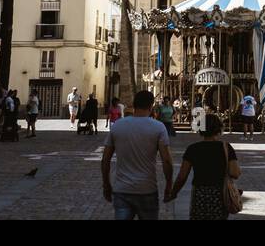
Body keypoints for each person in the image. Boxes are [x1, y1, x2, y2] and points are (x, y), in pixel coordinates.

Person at [101, 90, 174, 220]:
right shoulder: (158, 127)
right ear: (151, 106)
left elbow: (105, 159)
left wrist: (106, 184)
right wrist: (169, 185)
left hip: (122, 189)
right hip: (147, 189)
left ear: (133, 105)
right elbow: (167, 161)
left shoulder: (118, 126)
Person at [171, 113, 240, 220]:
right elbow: (235, 173)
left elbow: (182, 176)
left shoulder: (193, 149)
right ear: (219, 128)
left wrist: (173, 193)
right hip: (219, 194)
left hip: (200, 194)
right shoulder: (226, 147)